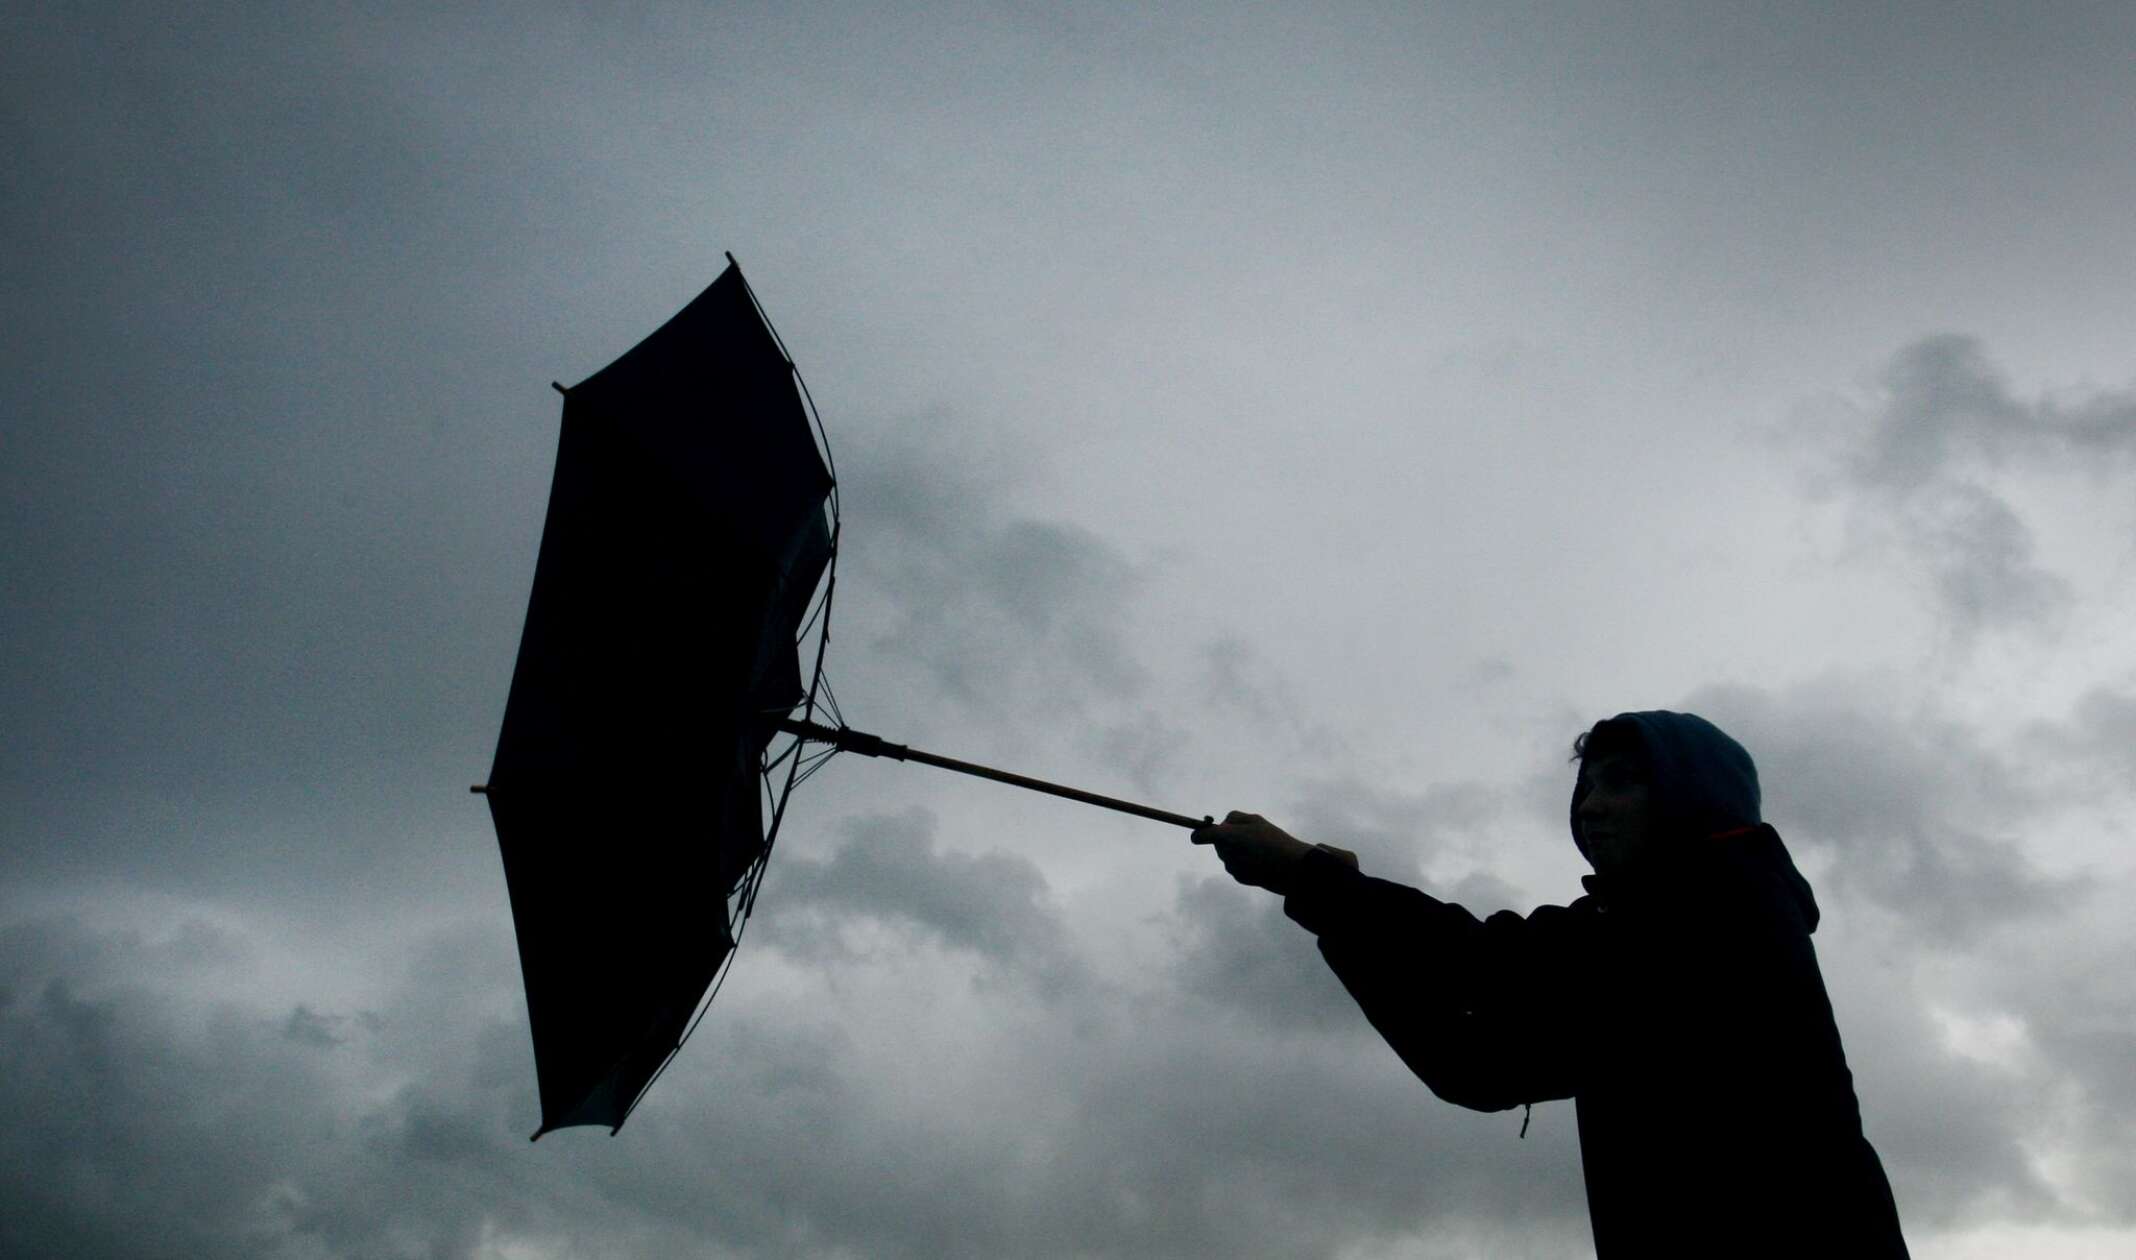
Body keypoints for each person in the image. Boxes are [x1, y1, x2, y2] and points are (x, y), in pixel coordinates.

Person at [1193, 710, 1908, 1257]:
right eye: (1587, 787)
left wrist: (1312, 878)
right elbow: (1472, 1065)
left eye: (1623, 782)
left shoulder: (1726, 904)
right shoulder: (1632, 948)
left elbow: (1491, 962)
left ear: (1700, 797)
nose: (1590, 807)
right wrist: (1333, 911)